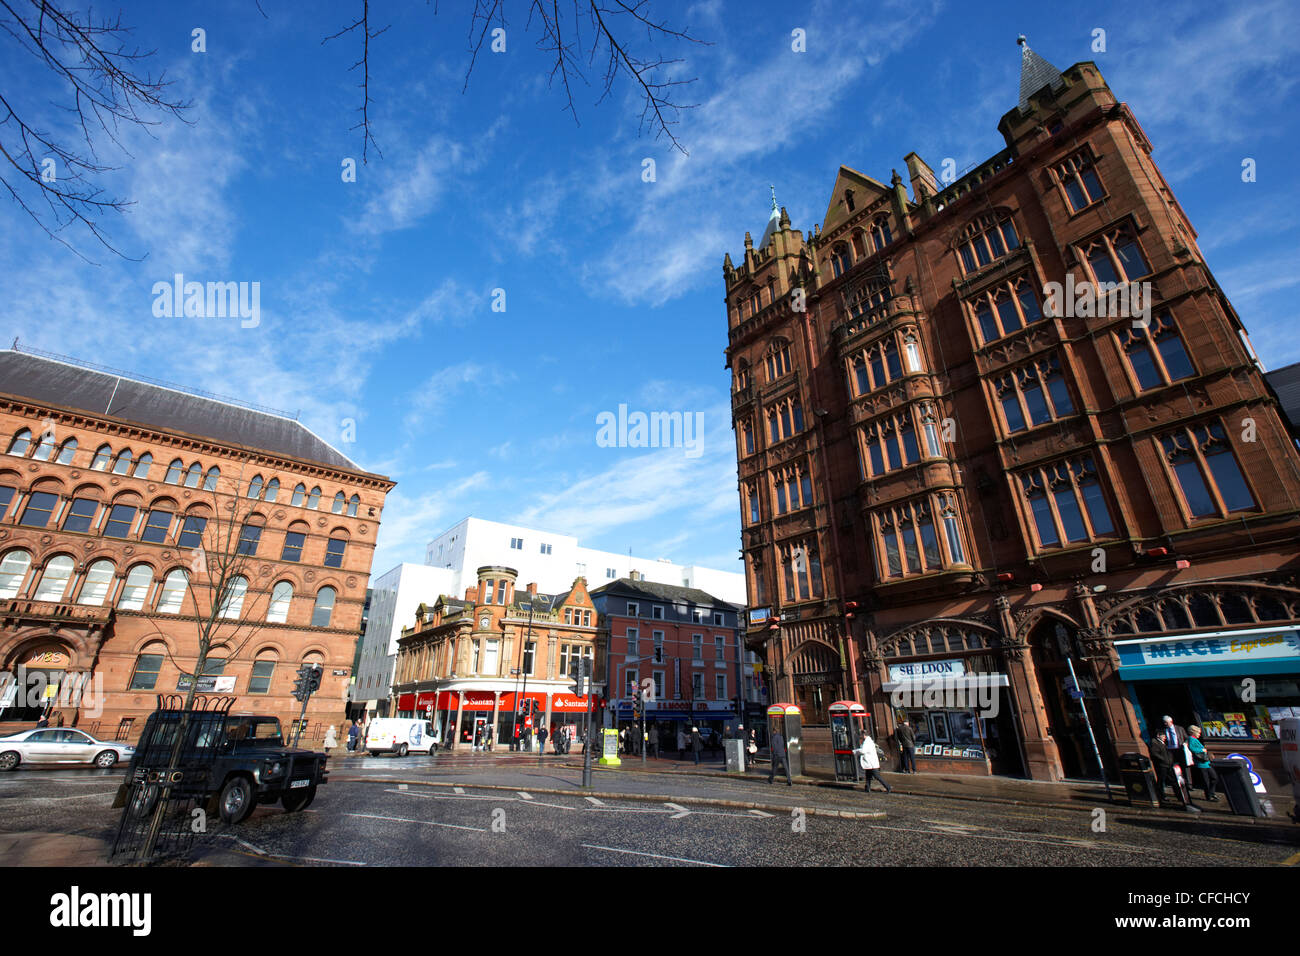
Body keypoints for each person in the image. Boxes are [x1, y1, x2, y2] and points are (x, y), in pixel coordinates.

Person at [1148, 732, 1198, 811]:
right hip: (1162, 766)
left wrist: (1171, 760)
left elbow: (1170, 753)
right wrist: (1163, 760)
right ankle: (1161, 796)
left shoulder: (1165, 743)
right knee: (1161, 781)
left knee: (1174, 780)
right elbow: (1155, 754)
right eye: (1163, 736)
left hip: (1169, 765)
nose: (1164, 737)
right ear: (1158, 736)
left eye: (1165, 736)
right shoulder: (1155, 743)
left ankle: (1179, 796)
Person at [1186, 725, 1219, 802]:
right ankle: (1209, 796)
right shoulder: (1191, 739)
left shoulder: (1195, 739)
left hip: (1206, 762)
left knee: (1214, 777)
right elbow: (1192, 748)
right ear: (1193, 732)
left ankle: (1212, 793)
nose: (1199, 734)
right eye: (1198, 733)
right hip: (1201, 763)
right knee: (1206, 781)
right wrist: (1202, 750)